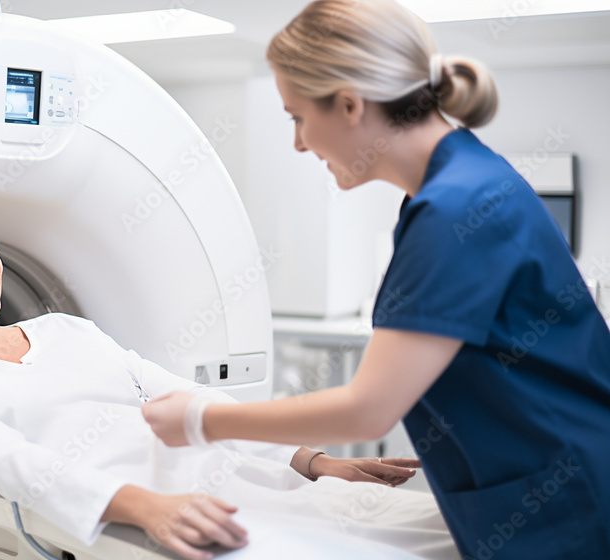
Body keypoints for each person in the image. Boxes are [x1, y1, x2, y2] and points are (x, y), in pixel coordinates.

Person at [141, 1, 610, 559]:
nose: (297, 143)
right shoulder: (455, 188)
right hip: (548, 486)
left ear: (348, 104)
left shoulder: (456, 209)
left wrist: (201, 419)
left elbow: (370, 408)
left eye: (296, 117)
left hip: (566, 505)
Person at [0, 185, 458, 560]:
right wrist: (143, 507)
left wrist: (311, 461)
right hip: (157, 510)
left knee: (451, 530)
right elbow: (10, 462)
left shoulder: (66, 331)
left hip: (237, 476)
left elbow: (190, 399)